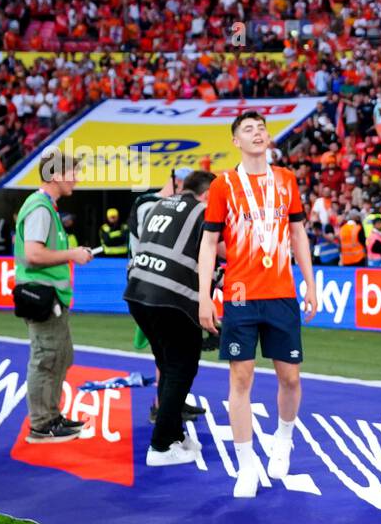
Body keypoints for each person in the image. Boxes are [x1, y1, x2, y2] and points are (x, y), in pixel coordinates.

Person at [197, 110, 319, 499]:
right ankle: (247, 464)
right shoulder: (223, 185)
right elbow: (207, 244)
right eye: (248, 129)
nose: (257, 133)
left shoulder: (286, 180)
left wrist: (310, 283)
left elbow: (298, 233)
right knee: (241, 380)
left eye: (261, 128)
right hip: (240, 295)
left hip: (282, 293)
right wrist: (204, 296)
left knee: (291, 378)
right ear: (236, 141)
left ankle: (283, 437)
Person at [125, 170, 215, 467]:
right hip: (169, 297)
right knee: (180, 368)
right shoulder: (203, 210)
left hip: (138, 293)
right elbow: (217, 248)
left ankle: (173, 435)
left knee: (167, 365)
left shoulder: (160, 204)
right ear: (206, 194)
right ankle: (161, 445)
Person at [15, 150, 95, 443]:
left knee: (59, 355)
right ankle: (42, 423)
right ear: (57, 175)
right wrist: (72, 254)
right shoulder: (40, 207)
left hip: (47, 296)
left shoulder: (44, 206)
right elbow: (34, 254)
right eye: (72, 171)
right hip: (41, 297)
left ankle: (50, 417)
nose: (76, 177)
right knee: (47, 357)